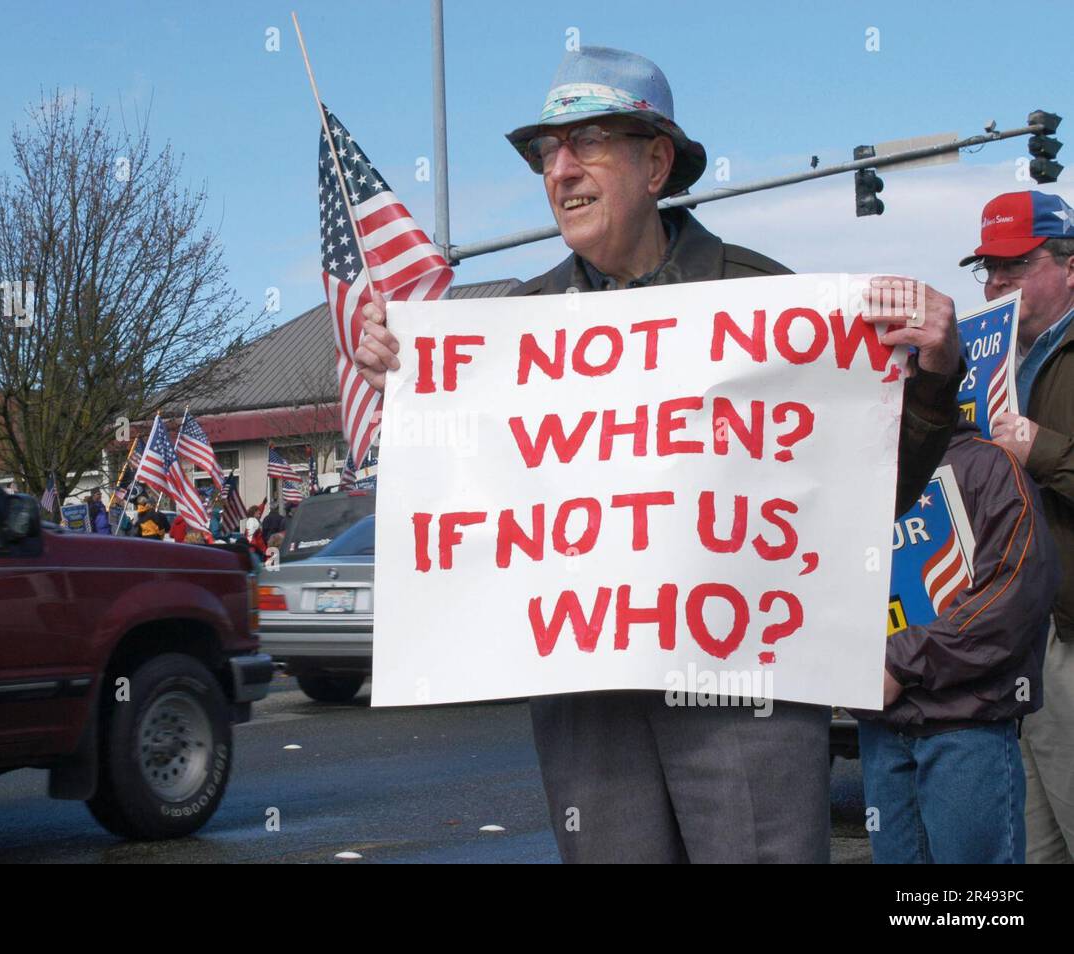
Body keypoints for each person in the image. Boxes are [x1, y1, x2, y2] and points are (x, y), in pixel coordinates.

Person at [353, 46, 965, 863]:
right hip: (588, 708)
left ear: (657, 162)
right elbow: (462, 505)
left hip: (745, 698)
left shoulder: (771, 305)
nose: (560, 171)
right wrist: (406, 378)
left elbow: (867, 499)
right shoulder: (503, 331)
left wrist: (931, 383)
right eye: (546, 152)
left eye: (588, 143)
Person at [856, 413, 1057, 863]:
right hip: (880, 729)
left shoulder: (988, 466)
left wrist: (898, 662)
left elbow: (1013, 595)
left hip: (966, 727)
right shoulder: (850, 479)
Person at [965, 191, 1074, 863]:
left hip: (1067, 636)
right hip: (1012, 637)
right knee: (1032, 849)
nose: (997, 282)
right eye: (988, 267)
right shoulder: (990, 361)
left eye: (1015, 264)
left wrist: (1043, 450)